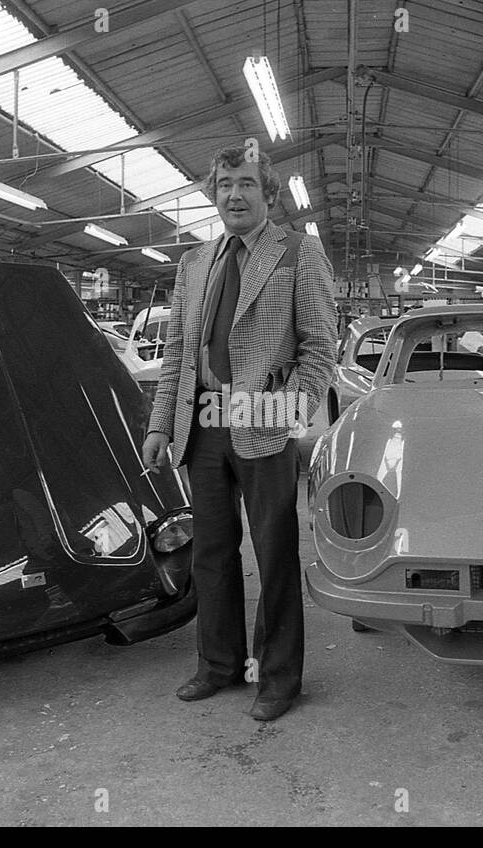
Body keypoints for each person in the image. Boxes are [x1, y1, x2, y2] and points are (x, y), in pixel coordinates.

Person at [140, 145, 336, 721]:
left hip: (263, 425)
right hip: (200, 424)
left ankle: (277, 679)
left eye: (246, 184)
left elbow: (321, 349)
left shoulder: (299, 252)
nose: (234, 195)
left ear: (269, 195)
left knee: (274, 551)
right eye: (225, 184)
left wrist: (277, 413)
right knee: (212, 551)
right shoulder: (195, 262)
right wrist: (159, 425)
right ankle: (218, 665)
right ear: (213, 192)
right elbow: (176, 350)